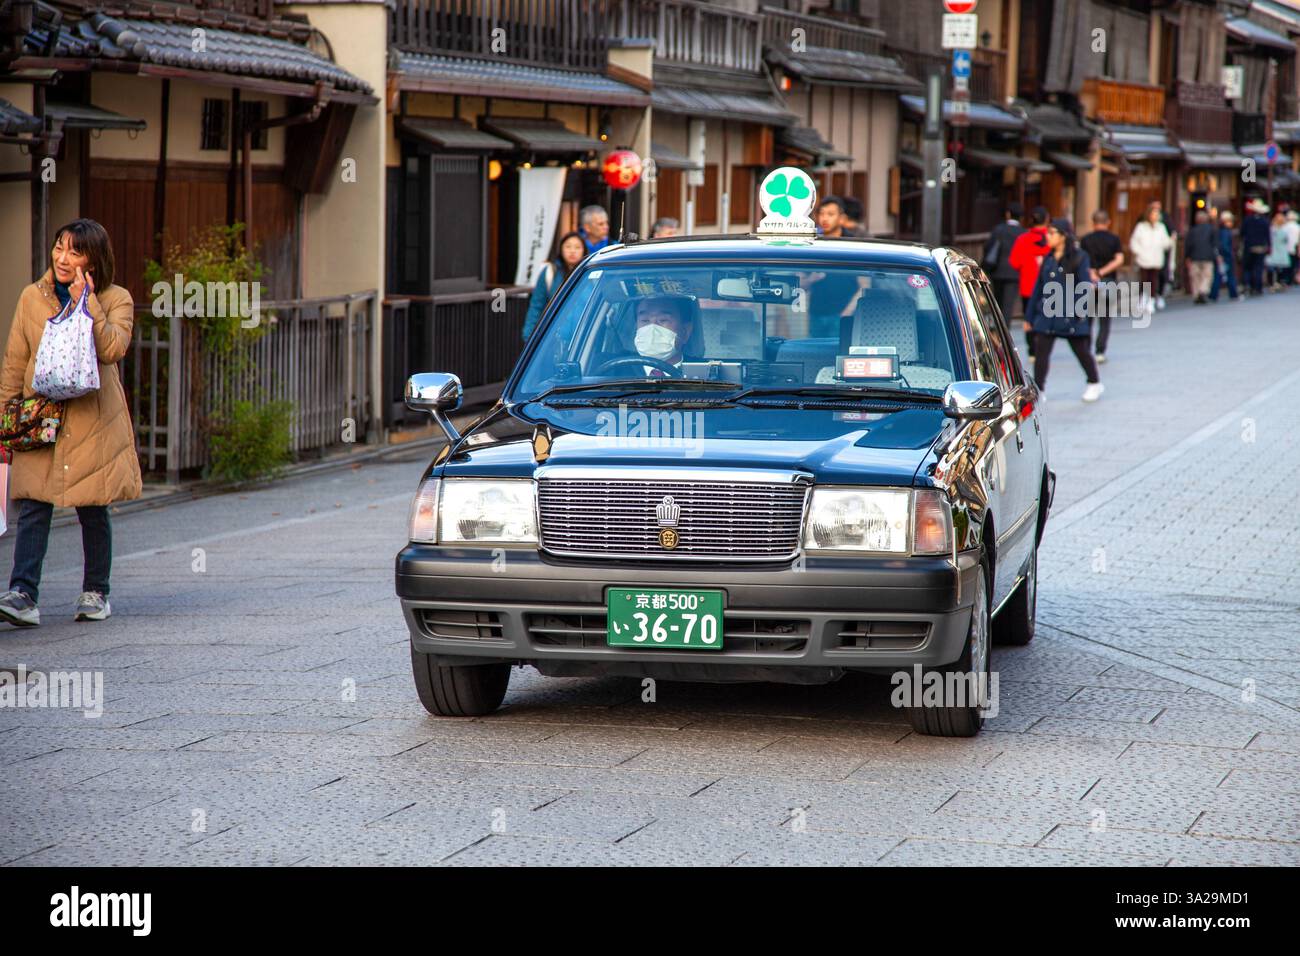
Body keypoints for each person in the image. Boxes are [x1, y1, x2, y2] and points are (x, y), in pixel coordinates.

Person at [0, 218, 142, 627]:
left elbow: (113, 348)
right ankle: (23, 594)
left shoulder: (117, 299)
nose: (63, 258)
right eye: (59, 247)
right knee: (34, 504)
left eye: (74, 251)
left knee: (92, 506)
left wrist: (88, 302)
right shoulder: (33, 297)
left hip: (92, 419)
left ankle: (96, 592)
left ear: (93, 259)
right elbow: (15, 359)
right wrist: (7, 414)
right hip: (40, 415)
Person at [1024, 218, 1103, 402]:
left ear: (1063, 236)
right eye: (1048, 233)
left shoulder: (1079, 257)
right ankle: (1039, 390)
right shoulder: (1048, 258)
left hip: (1069, 314)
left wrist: (1079, 311)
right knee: (1041, 352)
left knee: (1081, 351)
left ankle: (1094, 382)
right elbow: (1038, 287)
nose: (1048, 237)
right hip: (1047, 313)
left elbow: (1084, 285)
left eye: (1052, 233)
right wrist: (1029, 316)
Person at [522, 230, 585, 341]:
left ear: (584, 250)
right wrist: (529, 335)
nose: (572, 251)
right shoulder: (549, 272)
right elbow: (536, 305)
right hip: (553, 337)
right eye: (568, 247)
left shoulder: (591, 274)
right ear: (561, 249)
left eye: (577, 247)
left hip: (583, 338)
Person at [1079, 209, 1123, 363]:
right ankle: (1100, 351)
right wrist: (1102, 272)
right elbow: (1119, 260)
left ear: (1093, 223)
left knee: (1089, 318)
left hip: (1090, 282)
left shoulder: (1085, 240)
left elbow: (1081, 261)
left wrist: (1092, 274)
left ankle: (1087, 349)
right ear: (1108, 222)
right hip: (1108, 280)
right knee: (1105, 319)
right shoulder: (1114, 239)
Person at [1008, 205, 1051, 356]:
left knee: (1029, 316)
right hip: (1049, 286)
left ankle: (1032, 349)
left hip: (1028, 284)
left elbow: (1014, 262)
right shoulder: (1052, 239)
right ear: (1047, 220)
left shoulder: (1023, 239)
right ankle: (1043, 346)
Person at [628, 295, 698, 373]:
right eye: (645, 320)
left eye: (663, 320)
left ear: (685, 331)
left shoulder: (702, 375)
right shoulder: (615, 373)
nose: (652, 329)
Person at [984, 202, 1026, 326]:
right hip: (1014, 273)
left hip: (997, 271)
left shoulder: (999, 230)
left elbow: (988, 248)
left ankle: (996, 329)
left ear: (1008, 214)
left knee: (997, 302)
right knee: (1008, 305)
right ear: (1021, 217)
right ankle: (1004, 332)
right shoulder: (1023, 233)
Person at [1129, 202, 1172, 316]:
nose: (1155, 217)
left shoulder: (1161, 227)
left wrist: (1170, 241)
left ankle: (1151, 301)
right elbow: (1134, 241)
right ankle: (1143, 298)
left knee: (1153, 279)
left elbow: (1166, 242)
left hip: (1156, 257)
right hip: (1144, 256)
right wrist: (1139, 252)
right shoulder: (1141, 227)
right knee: (1144, 279)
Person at [1184, 210, 1217, 305]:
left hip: (1195, 256)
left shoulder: (1192, 230)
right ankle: (1203, 291)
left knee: (1195, 277)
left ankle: (1197, 294)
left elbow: (1188, 245)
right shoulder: (1212, 229)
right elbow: (1215, 244)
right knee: (1206, 276)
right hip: (1208, 256)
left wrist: (1187, 256)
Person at [1240, 200, 1271, 296]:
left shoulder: (1247, 220)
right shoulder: (1265, 221)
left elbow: (1242, 233)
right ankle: (1257, 287)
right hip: (1260, 247)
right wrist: (1269, 246)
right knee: (1258, 268)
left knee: (1247, 267)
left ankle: (1247, 284)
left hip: (1249, 246)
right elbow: (1267, 235)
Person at [1209, 210, 1239, 302]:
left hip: (1220, 256)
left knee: (1218, 275)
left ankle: (1213, 295)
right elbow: (1224, 245)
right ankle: (1233, 294)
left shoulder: (1218, 230)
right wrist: (1229, 254)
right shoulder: (1225, 232)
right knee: (1228, 275)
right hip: (1225, 256)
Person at [1266, 209, 1292, 292]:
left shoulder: (1272, 229)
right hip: (1281, 250)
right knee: (1281, 268)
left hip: (1274, 250)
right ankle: (1279, 283)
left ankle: (1273, 283)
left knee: (1273, 268)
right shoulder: (1283, 229)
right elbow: (1286, 240)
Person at [1284, 209, 1300, 287]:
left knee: (1287, 265)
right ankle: (1292, 278)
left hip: (1286, 248)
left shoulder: (1285, 227)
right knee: (1294, 264)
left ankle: (1287, 279)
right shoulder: (1297, 227)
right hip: (1295, 248)